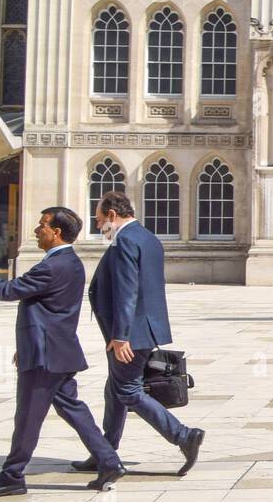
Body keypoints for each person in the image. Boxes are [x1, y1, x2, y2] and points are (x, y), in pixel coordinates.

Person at [0, 207, 125, 496]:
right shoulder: (70, 262)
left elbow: (7, 291)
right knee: (73, 410)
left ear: (56, 232)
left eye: (42, 225)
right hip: (56, 351)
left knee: (28, 416)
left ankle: (12, 476)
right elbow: (48, 311)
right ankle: (108, 460)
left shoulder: (52, 266)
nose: (36, 230)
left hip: (46, 356)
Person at [78, 191, 204, 476]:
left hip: (129, 333)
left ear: (112, 215)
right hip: (145, 328)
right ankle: (105, 451)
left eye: (99, 221)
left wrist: (121, 336)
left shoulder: (124, 241)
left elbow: (127, 292)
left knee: (128, 390)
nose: (99, 228)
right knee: (115, 389)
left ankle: (184, 435)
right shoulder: (148, 237)